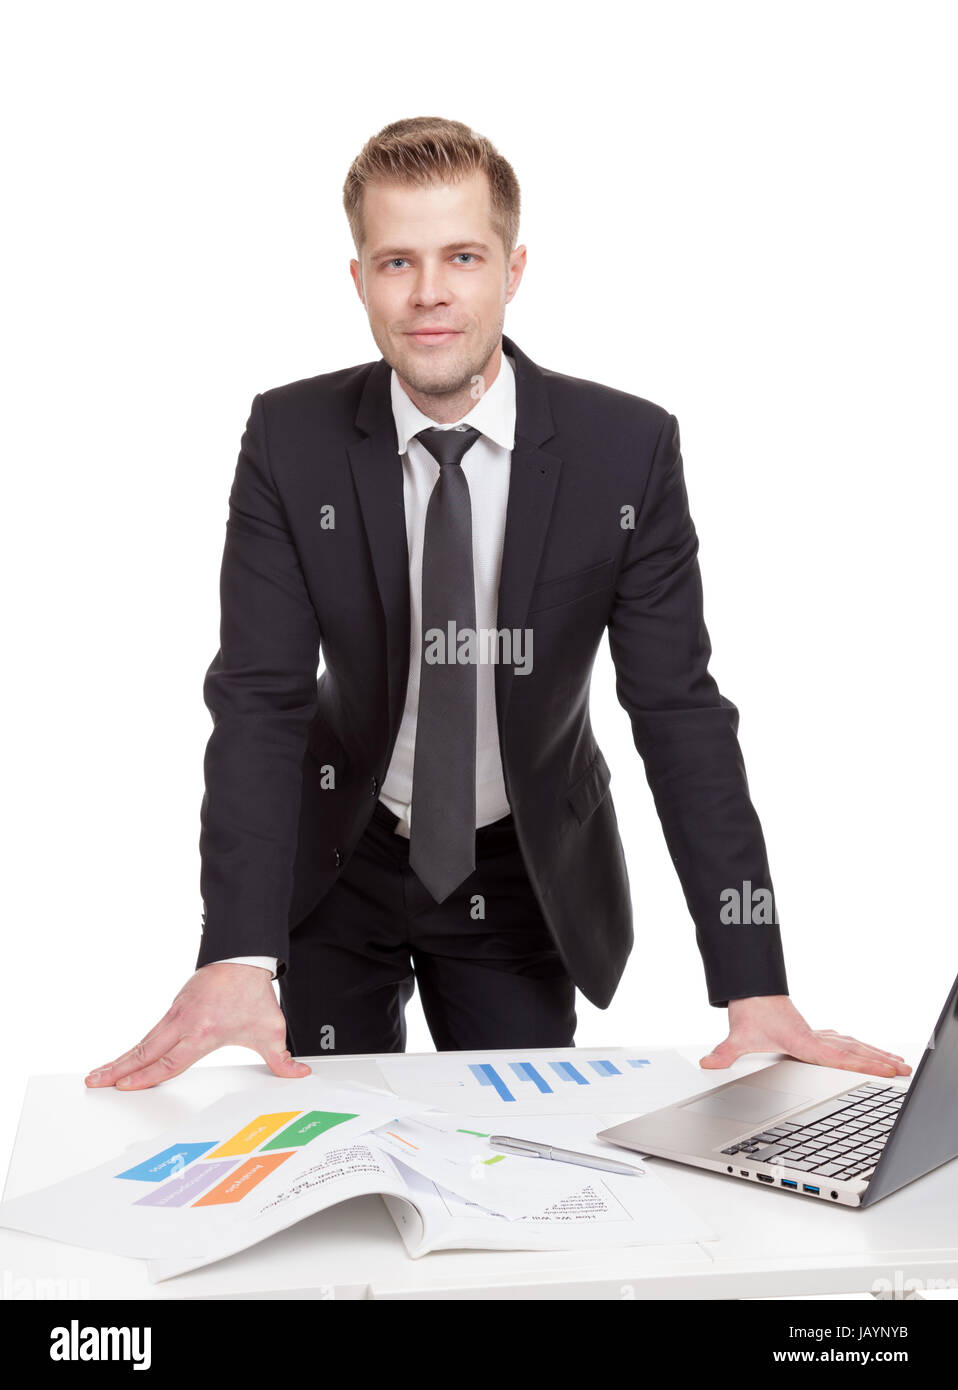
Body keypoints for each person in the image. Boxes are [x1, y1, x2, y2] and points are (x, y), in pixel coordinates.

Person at [86, 117, 909, 1091]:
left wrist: (753, 978)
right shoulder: (289, 436)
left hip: (518, 869)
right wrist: (234, 951)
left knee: (516, 1154)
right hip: (338, 855)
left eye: (462, 256)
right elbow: (259, 698)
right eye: (397, 260)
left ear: (512, 270)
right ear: (358, 280)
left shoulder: (625, 450)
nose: (429, 292)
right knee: (321, 1155)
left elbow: (678, 711)